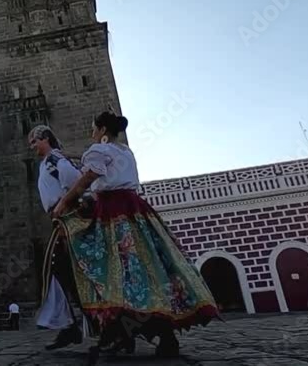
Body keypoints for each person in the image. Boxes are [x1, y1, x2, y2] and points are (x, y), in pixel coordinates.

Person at [51, 111, 219, 357]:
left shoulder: (98, 151)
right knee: (148, 268)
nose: (91, 133)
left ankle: (117, 331)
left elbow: (87, 178)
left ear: (101, 130)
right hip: (137, 211)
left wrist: (63, 203)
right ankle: (163, 335)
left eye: (93, 128)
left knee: (105, 269)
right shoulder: (124, 152)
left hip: (111, 212)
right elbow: (100, 167)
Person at [28, 125, 84, 350]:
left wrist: (66, 203)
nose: (32, 147)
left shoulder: (54, 160)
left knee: (61, 270)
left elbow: (76, 181)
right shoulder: (48, 162)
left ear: (45, 139)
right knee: (59, 271)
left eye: (34, 142)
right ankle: (69, 327)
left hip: (67, 220)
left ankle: (78, 326)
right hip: (59, 220)